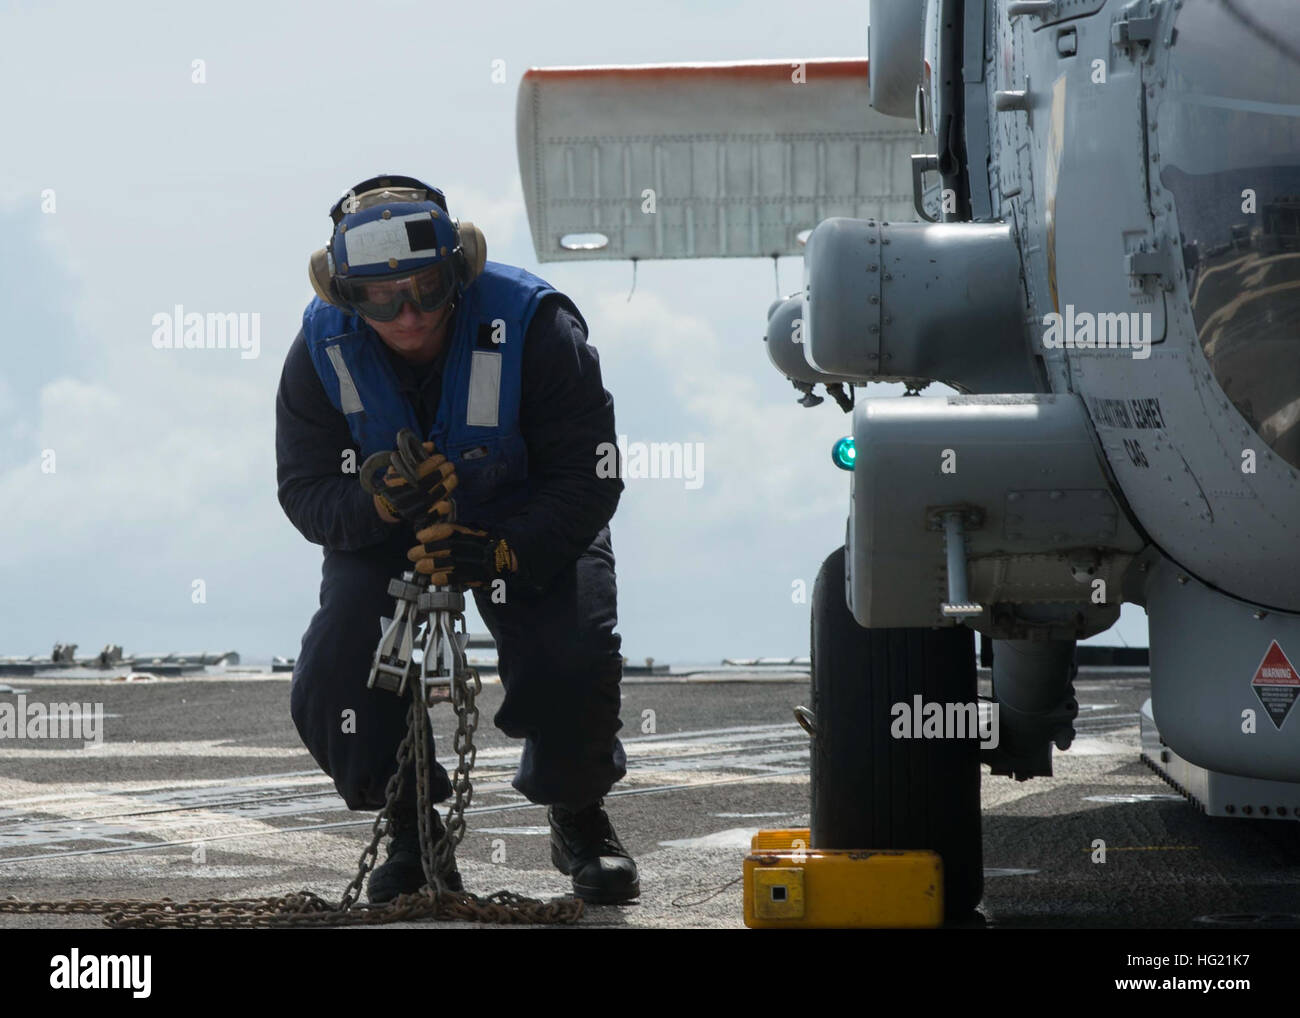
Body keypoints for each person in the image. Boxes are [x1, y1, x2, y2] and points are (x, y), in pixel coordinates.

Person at [275, 174, 637, 904]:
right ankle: (411, 827)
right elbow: (305, 489)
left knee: (571, 652)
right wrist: (374, 505)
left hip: (526, 519)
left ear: (459, 272)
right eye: (382, 298)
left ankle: (579, 814)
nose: (408, 317)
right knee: (338, 671)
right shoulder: (319, 350)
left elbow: (590, 477)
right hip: (390, 533)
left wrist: (504, 554)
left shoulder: (535, 327)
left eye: (428, 289)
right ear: (349, 296)